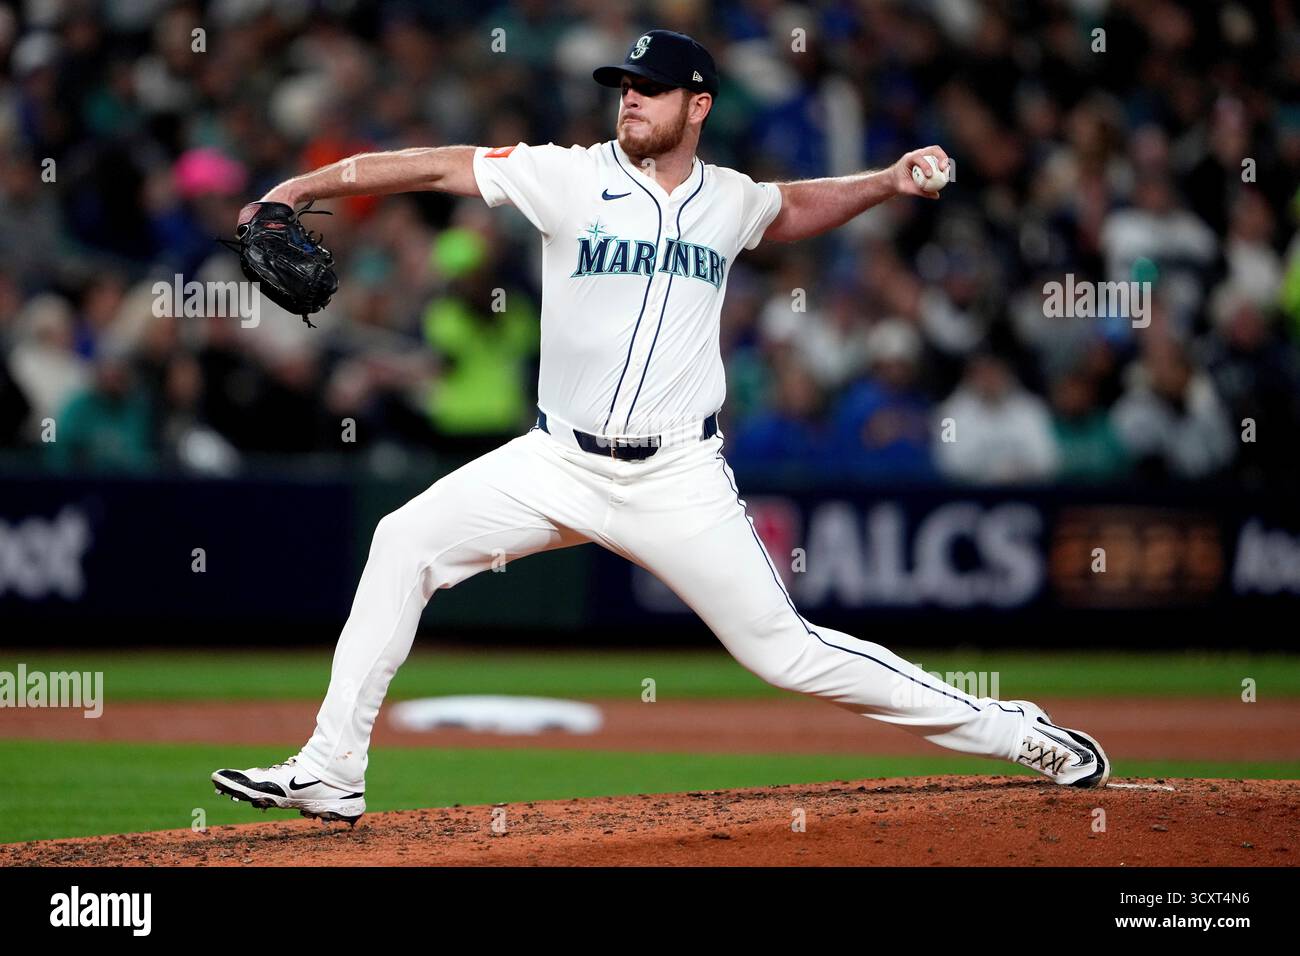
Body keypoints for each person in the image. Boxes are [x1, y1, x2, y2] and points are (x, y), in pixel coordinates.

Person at [212, 30, 1109, 825]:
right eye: (623, 85)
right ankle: (331, 771)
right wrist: (301, 182)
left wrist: (883, 181)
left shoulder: (728, 199)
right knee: (402, 541)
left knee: (786, 654)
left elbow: (792, 208)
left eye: (649, 85)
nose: (630, 97)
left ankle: (1013, 731)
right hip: (555, 459)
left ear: (699, 104)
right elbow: (435, 163)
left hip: (676, 477)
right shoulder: (568, 174)